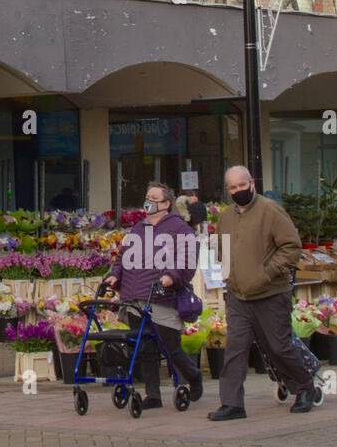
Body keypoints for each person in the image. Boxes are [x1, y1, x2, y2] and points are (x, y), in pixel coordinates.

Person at [207, 165, 313, 419]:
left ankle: (305, 386)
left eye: (241, 185)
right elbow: (224, 250)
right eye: (232, 188)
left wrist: (265, 274)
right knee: (235, 350)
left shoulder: (270, 210)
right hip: (238, 295)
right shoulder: (226, 217)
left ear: (251, 183)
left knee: (279, 347)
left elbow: (291, 248)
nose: (237, 191)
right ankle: (232, 403)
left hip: (270, 294)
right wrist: (229, 275)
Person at [102, 183, 203, 408]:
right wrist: (114, 275)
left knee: (170, 347)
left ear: (166, 204)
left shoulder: (179, 228)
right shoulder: (138, 228)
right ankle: (153, 395)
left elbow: (187, 260)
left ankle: (193, 375)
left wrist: (171, 276)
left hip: (162, 296)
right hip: (135, 295)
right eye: (147, 197)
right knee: (144, 347)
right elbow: (122, 258)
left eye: (153, 198)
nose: (148, 201)